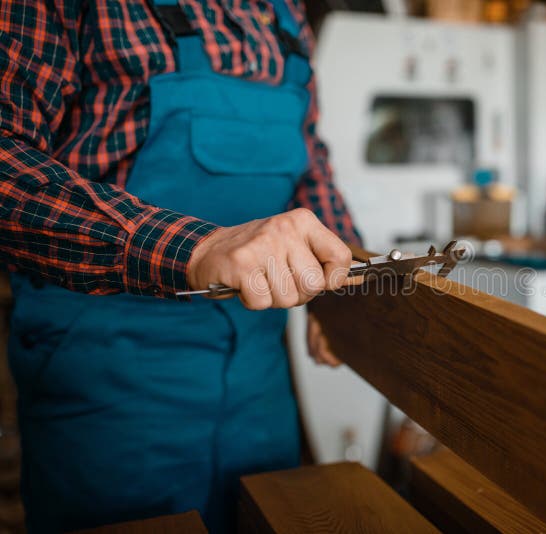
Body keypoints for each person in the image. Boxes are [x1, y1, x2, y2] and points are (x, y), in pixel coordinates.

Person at [0, 1, 360, 531]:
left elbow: (309, 157)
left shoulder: (284, 13)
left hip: (259, 383)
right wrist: (194, 248)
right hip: (107, 387)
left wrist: (344, 273)